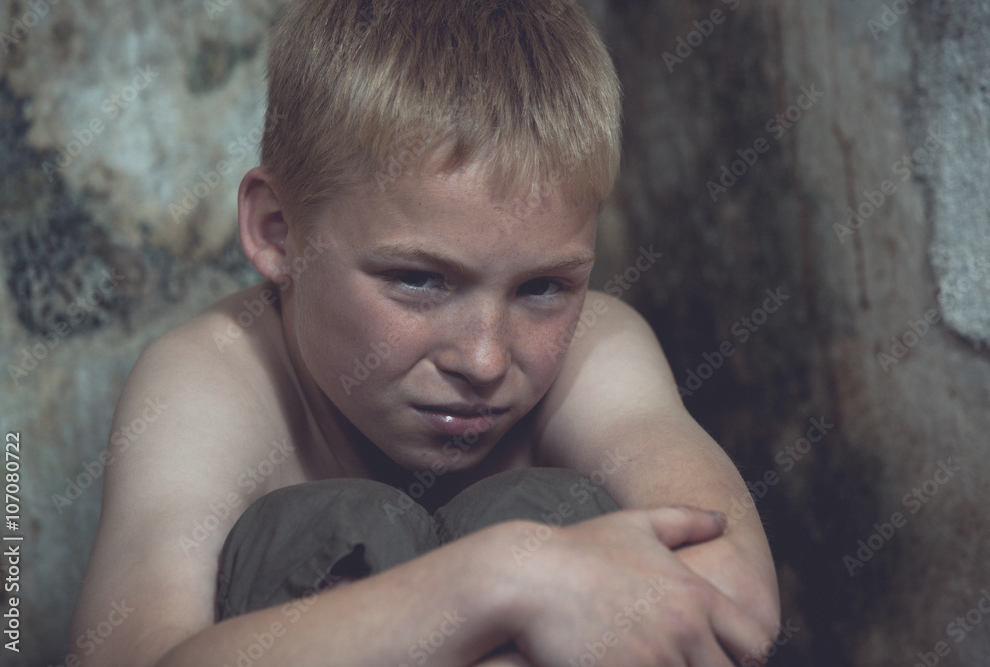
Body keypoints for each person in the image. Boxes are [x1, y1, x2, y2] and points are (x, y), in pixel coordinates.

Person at [69, 1, 780, 665]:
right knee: (321, 528)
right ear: (277, 232)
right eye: (417, 279)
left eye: (542, 288)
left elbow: (737, 593)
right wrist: (499, 581)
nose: (483, 358)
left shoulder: (599, 349)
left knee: (538, 508)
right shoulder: (212, 378)